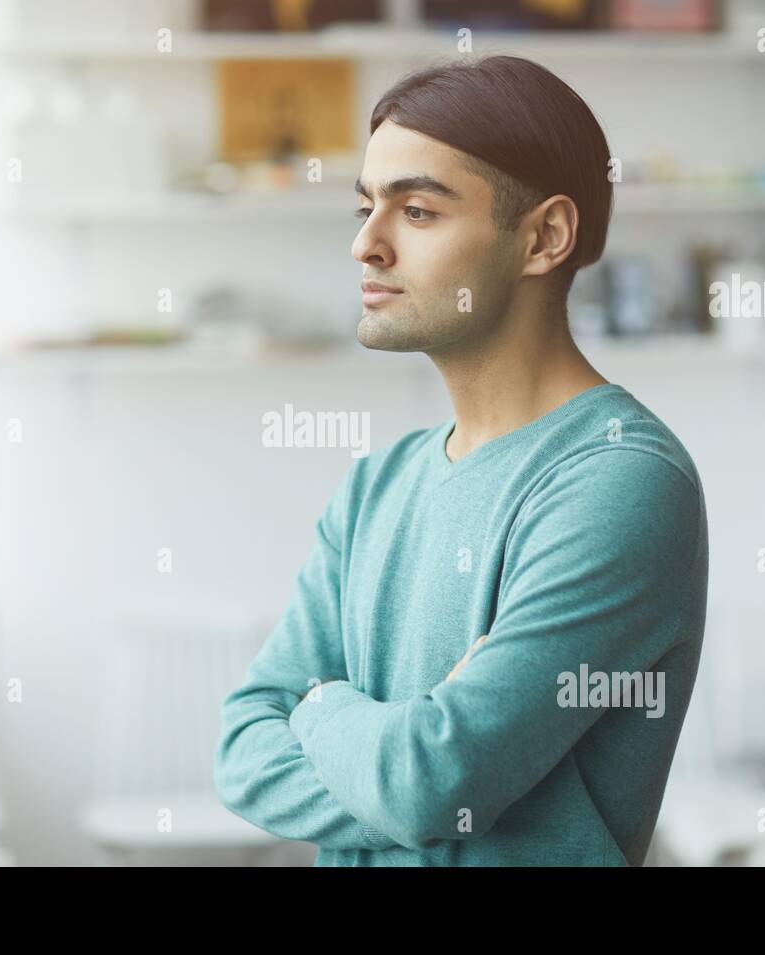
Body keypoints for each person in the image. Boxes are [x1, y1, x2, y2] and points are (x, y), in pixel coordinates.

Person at [214, 54, 708, 865]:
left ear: (544, 237)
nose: (365, 246)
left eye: (416, 211)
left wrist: (321, 704)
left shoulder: (622, 479)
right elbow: (241, 748)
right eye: (366, 206)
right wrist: (408, 768)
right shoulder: (376, 484)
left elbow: (430, 782)